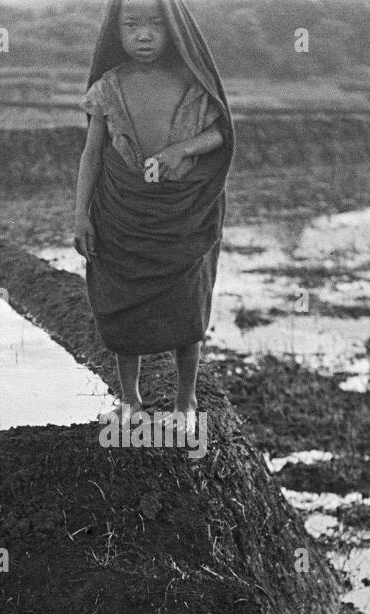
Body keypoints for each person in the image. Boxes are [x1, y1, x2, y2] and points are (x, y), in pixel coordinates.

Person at [74, 0, 234, 436]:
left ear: (176, 30)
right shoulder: (108, 87)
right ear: (116, 31)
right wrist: (80, 215)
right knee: (124, 306)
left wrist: (180, 150)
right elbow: (92, 154)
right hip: (122, 212)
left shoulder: (193, 82)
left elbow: (220, 133)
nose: (143, 35)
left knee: (187, 306)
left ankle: (186, 402)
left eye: (155, 25)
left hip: (181, 214)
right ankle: (129, 399)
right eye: (132, 25)